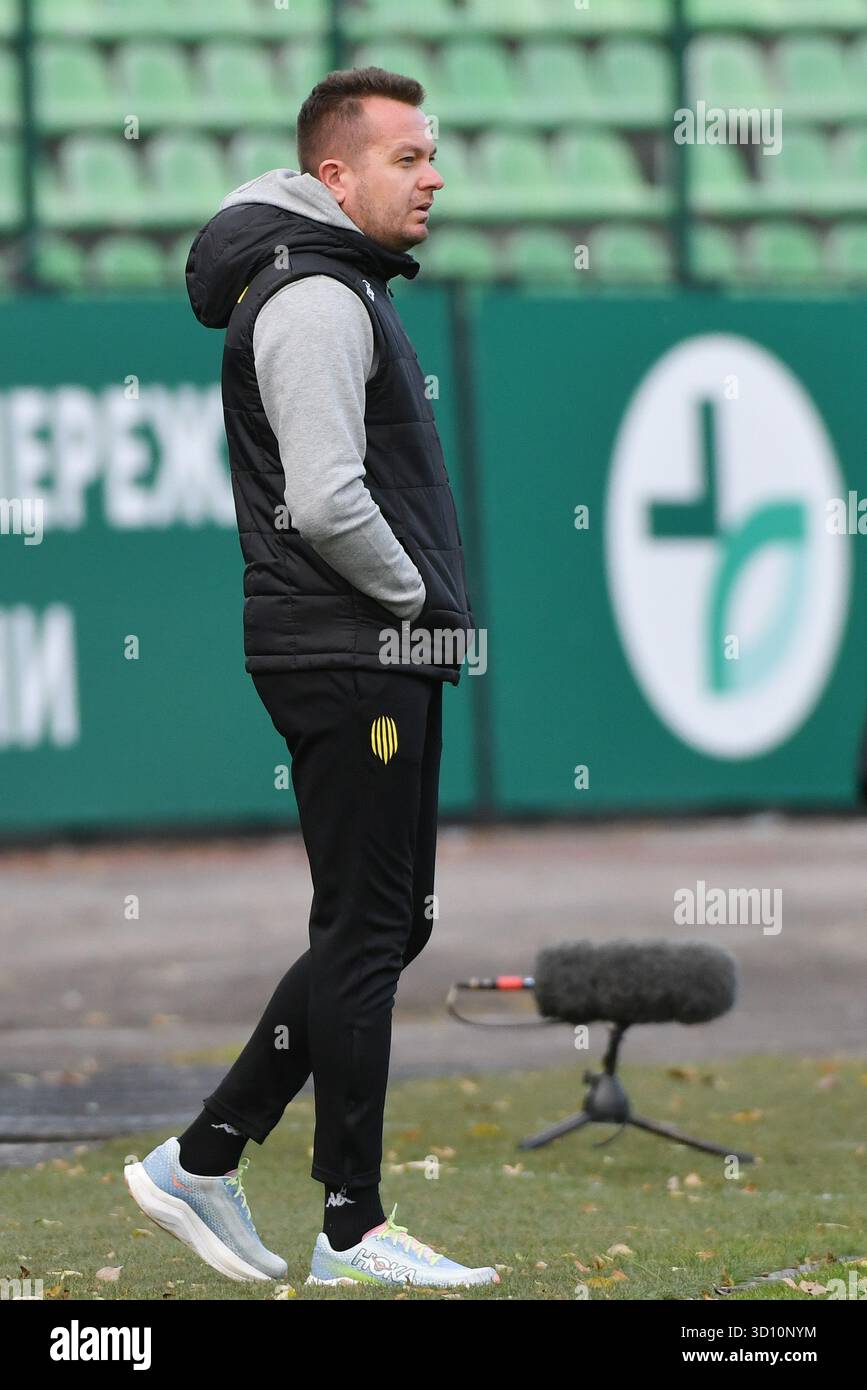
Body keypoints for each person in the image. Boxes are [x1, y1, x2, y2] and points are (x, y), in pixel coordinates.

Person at [123, 66, 498, 1291]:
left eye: (432, 153)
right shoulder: (317, 297)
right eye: (406, 158)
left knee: (385, 922)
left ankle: (208, 1151)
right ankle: (351, 1225)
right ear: (334, 177)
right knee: (368, 923)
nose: (432, 174)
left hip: (364, 650)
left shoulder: (337, 284)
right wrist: (421, 603)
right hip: (352, 650)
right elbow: (330, 499)